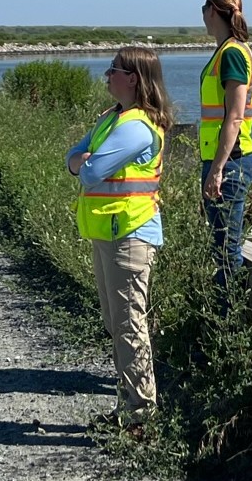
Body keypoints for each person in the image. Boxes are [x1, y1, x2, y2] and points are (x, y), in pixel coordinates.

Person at [66, 45, 173, 431]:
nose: (106, 75)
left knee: (129, 322)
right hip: (109, 232)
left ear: (133, 78)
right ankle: (127, 406)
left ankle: (140, 414)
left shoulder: (136, 126)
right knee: (116, 322)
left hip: (129, 234)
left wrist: (83, 162)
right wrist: (82, 161)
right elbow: (74, 157)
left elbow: (90, 170)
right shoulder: (113, 118)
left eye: (113, 70)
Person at [198, 0, 252, 291]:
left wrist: (217, 169)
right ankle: (223, 316)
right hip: (224, 160)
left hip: (231, 162)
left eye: (203, 7)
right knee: (220, 246)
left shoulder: (232, 53)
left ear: (212, 11)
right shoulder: (226, 51)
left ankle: (228, 321)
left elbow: (234, 117)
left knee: (226, 250)